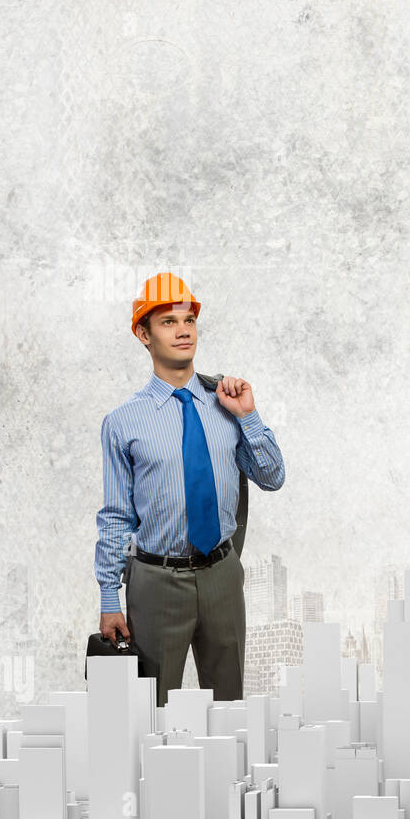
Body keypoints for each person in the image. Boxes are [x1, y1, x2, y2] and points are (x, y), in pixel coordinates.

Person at [94, 272, 286, 705]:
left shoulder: (226, 405)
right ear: (143, 334)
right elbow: (116, 515)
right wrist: (110, 596)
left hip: (222, 575)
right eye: (167, 322)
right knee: (152, 710)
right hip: (156, 581)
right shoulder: (123, 422)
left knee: (230, 708)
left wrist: (248, 416)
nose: (183, 330)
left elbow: (273, 477)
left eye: (189, 320)